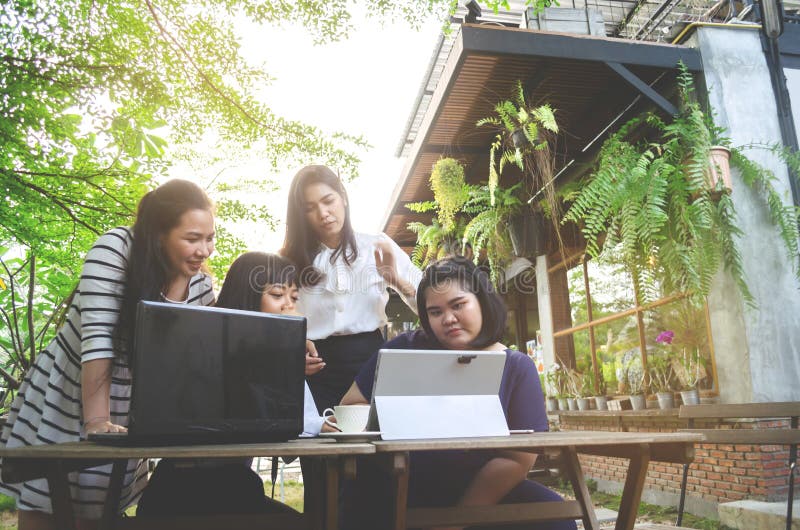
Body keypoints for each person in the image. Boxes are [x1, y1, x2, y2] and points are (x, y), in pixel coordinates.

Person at [0, 179, 216, 529]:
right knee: (43, 504)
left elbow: (189, 363)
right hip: (70, 388)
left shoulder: (202, 288)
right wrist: (98, 421)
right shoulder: (116, 249)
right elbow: (98, 338)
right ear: (158, 234)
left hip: (127, 402)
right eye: (192, 239)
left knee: (97, 511)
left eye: (209, 238)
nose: (204, 250)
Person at [338, 256, 578, 530]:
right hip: (398, 480)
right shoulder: (403, 349)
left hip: (483, 490)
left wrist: (455, 523)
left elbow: (517, 459)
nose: (448, 319)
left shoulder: (516, 367)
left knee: (555, 517)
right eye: (435, 312)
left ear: (482, 301)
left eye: (458, 305)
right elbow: (352, 404)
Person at [136, 251, 324, 517]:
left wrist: (287, 358)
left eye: (294, 298)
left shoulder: (279, 357)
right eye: (277, 295)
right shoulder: (207, 349)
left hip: (233, 487)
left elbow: (304, 424)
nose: (288, 306)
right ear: (247, 296)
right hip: (183, 492)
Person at [281, 164, 423, 413]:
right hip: (315, 367)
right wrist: (293, 351)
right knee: (320, 436)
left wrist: (396, 280)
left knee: (375, 434)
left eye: (328, 201)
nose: (323, 213)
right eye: (310, 208)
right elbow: (278, 316)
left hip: (369, 364)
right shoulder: (288, 260)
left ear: (343, 198)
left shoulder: (377, 246)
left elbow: (428, 305)